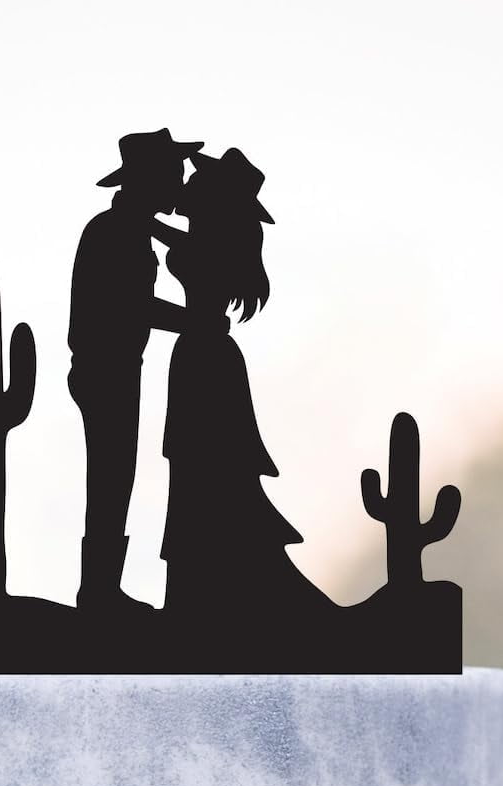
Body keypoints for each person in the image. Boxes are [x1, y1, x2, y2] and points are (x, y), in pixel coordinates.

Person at [151, 148, 335, 625]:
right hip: (200, 354)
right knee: (196, 469)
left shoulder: (213, 245)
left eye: (198, 184)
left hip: (204, 357)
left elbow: (185, 260)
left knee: (203, 466)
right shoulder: (212, 239)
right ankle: (197, 591)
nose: (188, 187)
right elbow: (179, 242)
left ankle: (203, 592)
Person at [68, 128, 219, 614]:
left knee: (117, 475)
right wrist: (193, 319)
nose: (178, 183)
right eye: (172, 175)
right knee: (112, 475)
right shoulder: (117, 235)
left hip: (114, 370)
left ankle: (101, 588)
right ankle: (98, 592)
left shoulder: (126, 229)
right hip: (105, 372)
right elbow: (132, 306)